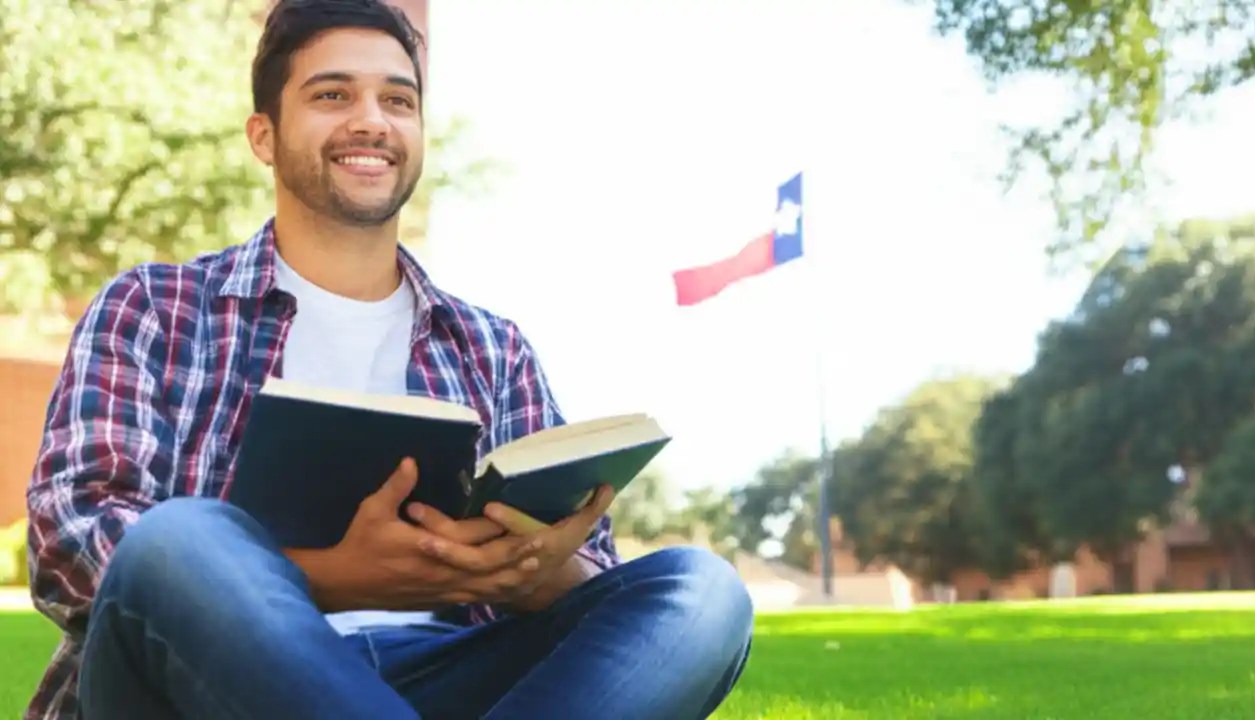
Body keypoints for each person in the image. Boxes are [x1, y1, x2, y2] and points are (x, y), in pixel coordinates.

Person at [23, 1, 754, 718]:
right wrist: (335, 579)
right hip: (195, 686)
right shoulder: (154, 306)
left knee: (702, 593)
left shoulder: (493, 349)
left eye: (397, 100)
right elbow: (74, 536)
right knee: (182, 538)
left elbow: (595, 583)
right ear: (264, 136)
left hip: (448, 678)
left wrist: (533, 566)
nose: (371, 119)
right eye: (332, 94)